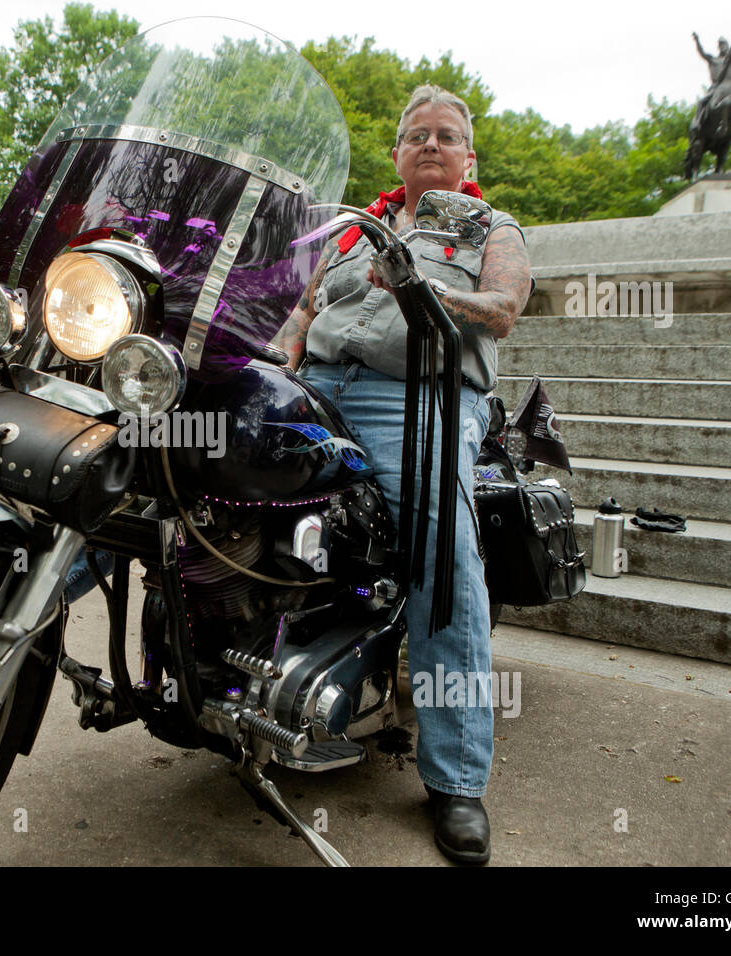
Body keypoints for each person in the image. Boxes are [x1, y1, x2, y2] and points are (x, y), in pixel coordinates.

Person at [274, 83, 533, 865]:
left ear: (468, 156)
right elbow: (304, 312)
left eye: (446, 135)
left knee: (442, 554)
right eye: (415, 134)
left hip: (419, 394)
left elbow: (505, 307)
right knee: (186, 459)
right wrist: (273, 365)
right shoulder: (355, 228)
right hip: (321, 385)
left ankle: (456, 781)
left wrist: (432, 289)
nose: (430, 144)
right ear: (396, 152)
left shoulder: (492, 224)